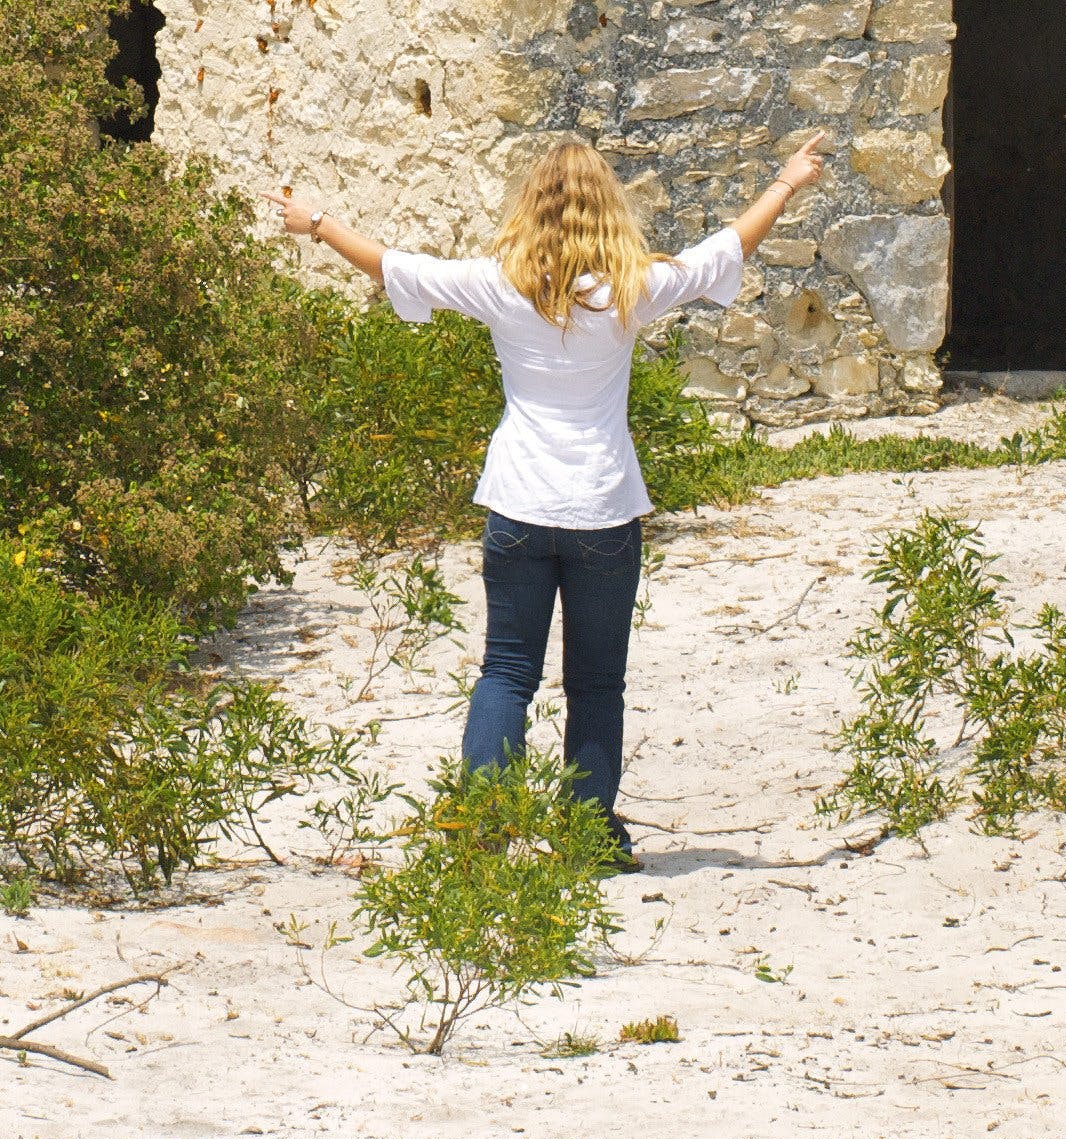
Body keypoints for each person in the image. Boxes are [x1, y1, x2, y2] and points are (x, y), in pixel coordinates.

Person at [277, 131, 834, 867]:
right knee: (598, 681)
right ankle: (587, 836)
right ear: (608, 208)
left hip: (517, 505)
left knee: (506, 670)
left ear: (531, 207)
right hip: (604, 509)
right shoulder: (636, 287)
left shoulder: (499, 284)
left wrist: (317, 224)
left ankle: (479, 832)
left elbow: (393, 267)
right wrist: (786, 182)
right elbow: (727, 249)